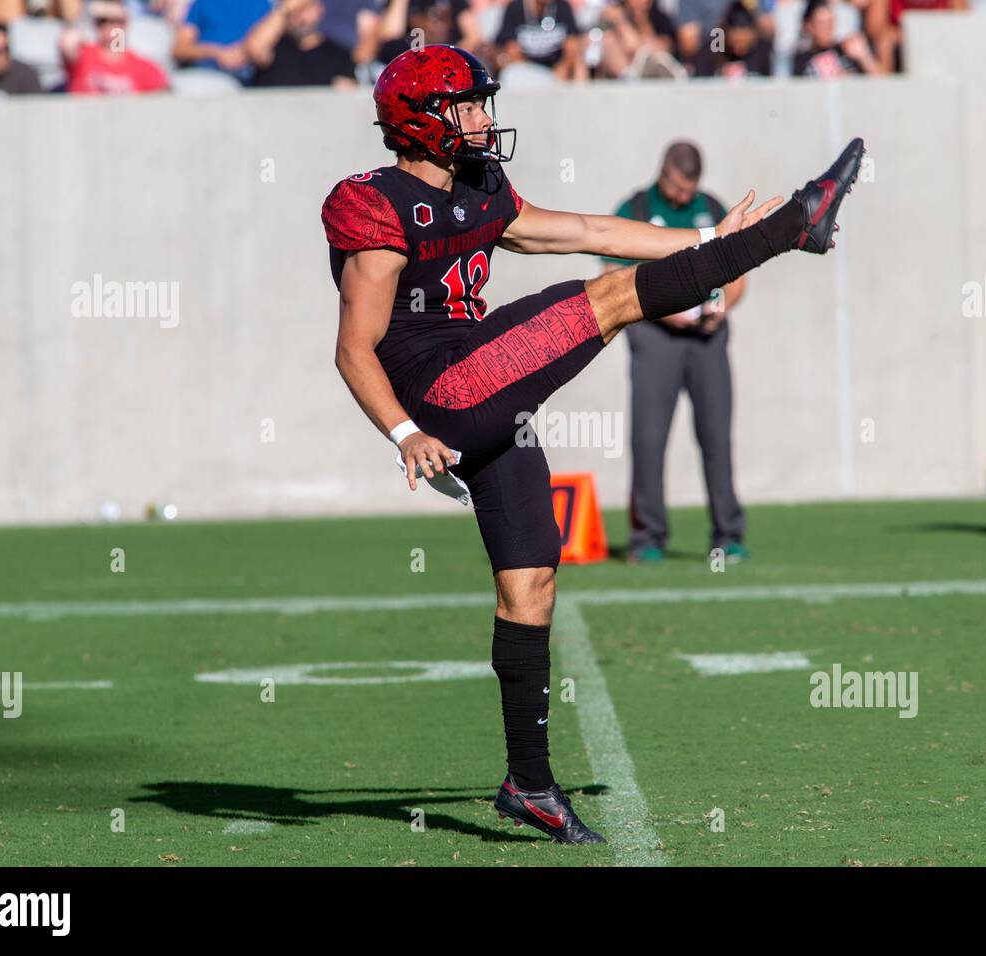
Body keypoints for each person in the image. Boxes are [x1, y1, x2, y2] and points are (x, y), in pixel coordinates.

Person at [321, 43, 864, 842]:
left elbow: (582, 227)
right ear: (419, 121)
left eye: (481, 102)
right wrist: (403, 432)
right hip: (439, 388)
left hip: (487, 388)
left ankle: (529, 784)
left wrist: (706, 235)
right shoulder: (375, 204)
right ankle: (793, 228)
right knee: (604, 300)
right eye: (466, 105)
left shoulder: (479, 185)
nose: (482, 117)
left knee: (531, 583)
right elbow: (353, 349)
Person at [601, 141, 749, 564]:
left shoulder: (714, 208)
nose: (683, 197)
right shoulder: (637, 208)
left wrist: (716, 310)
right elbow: (613, 273)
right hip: (654, 336)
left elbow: (737, 275)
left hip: (707, 339)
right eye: (677, 187)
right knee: (648, 438)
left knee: (716, 437)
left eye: (690, 189)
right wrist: (664, 312)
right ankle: (647, 538)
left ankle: (728, 535)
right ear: (663, 171)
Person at [61, 1, 169, 95]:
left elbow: (164, 95)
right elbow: (67, 43)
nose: (110, 26)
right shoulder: (83, 56)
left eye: (116, 21)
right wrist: (88, 13)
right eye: (103, 21)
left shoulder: (141, 66)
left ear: (125, 24)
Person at [245, 0, 356, 88]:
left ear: (319, 9)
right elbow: (253, 50)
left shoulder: (339, 56)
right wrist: (285, 9)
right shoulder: (274, 50)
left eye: (305, 9)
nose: (300, 17)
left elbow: (346, 98)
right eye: (294, 11)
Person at [173, 0, 271, 80]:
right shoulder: (202, 3)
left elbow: (268, 52)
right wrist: (215, 53)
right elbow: (180, 49)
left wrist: (245, 53)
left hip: (249, 71)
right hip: (206, 70)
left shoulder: (264, 5)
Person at [493, 0, 585, 81]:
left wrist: (563, 67)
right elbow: (512, 51)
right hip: (527, 69)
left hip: (557, 69)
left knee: (578, 63)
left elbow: (572, 44)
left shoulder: (562, 7)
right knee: (509, 70)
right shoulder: (515, 8)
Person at [790, 0, 881, 79]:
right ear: (809, 26)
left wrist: (865, 58)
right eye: (822, 24)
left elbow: (883, 83)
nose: (828, 29)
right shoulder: (800, 58)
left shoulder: (846, 49)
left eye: (830, 23)